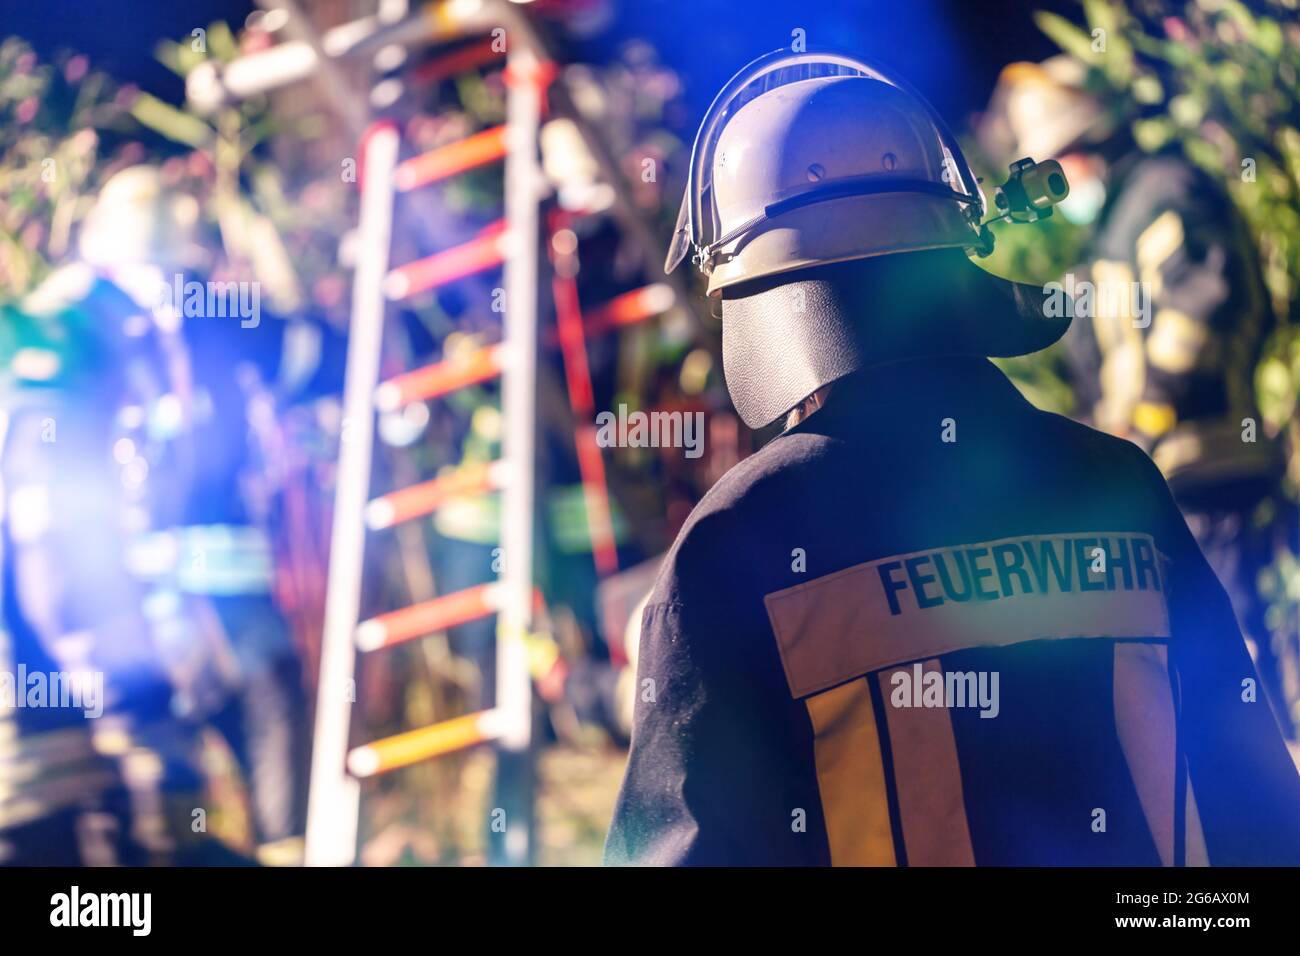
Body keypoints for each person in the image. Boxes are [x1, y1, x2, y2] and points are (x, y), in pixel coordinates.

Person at [604, 48, 1300, 866]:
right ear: (958, 247)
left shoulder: (737, 544)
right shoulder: (1117, 485)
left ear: (755, 300)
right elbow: (1257, 807)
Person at [979, 57, 1294, 738]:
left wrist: (1147, 409)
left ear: (1078, 151)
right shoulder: (1114, 223)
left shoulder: (1166, 191)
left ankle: (1265, 790)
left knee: (1228, 637)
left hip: (1206, 462)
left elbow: (1205, 296)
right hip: (1162, 473)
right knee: (1193, 644)